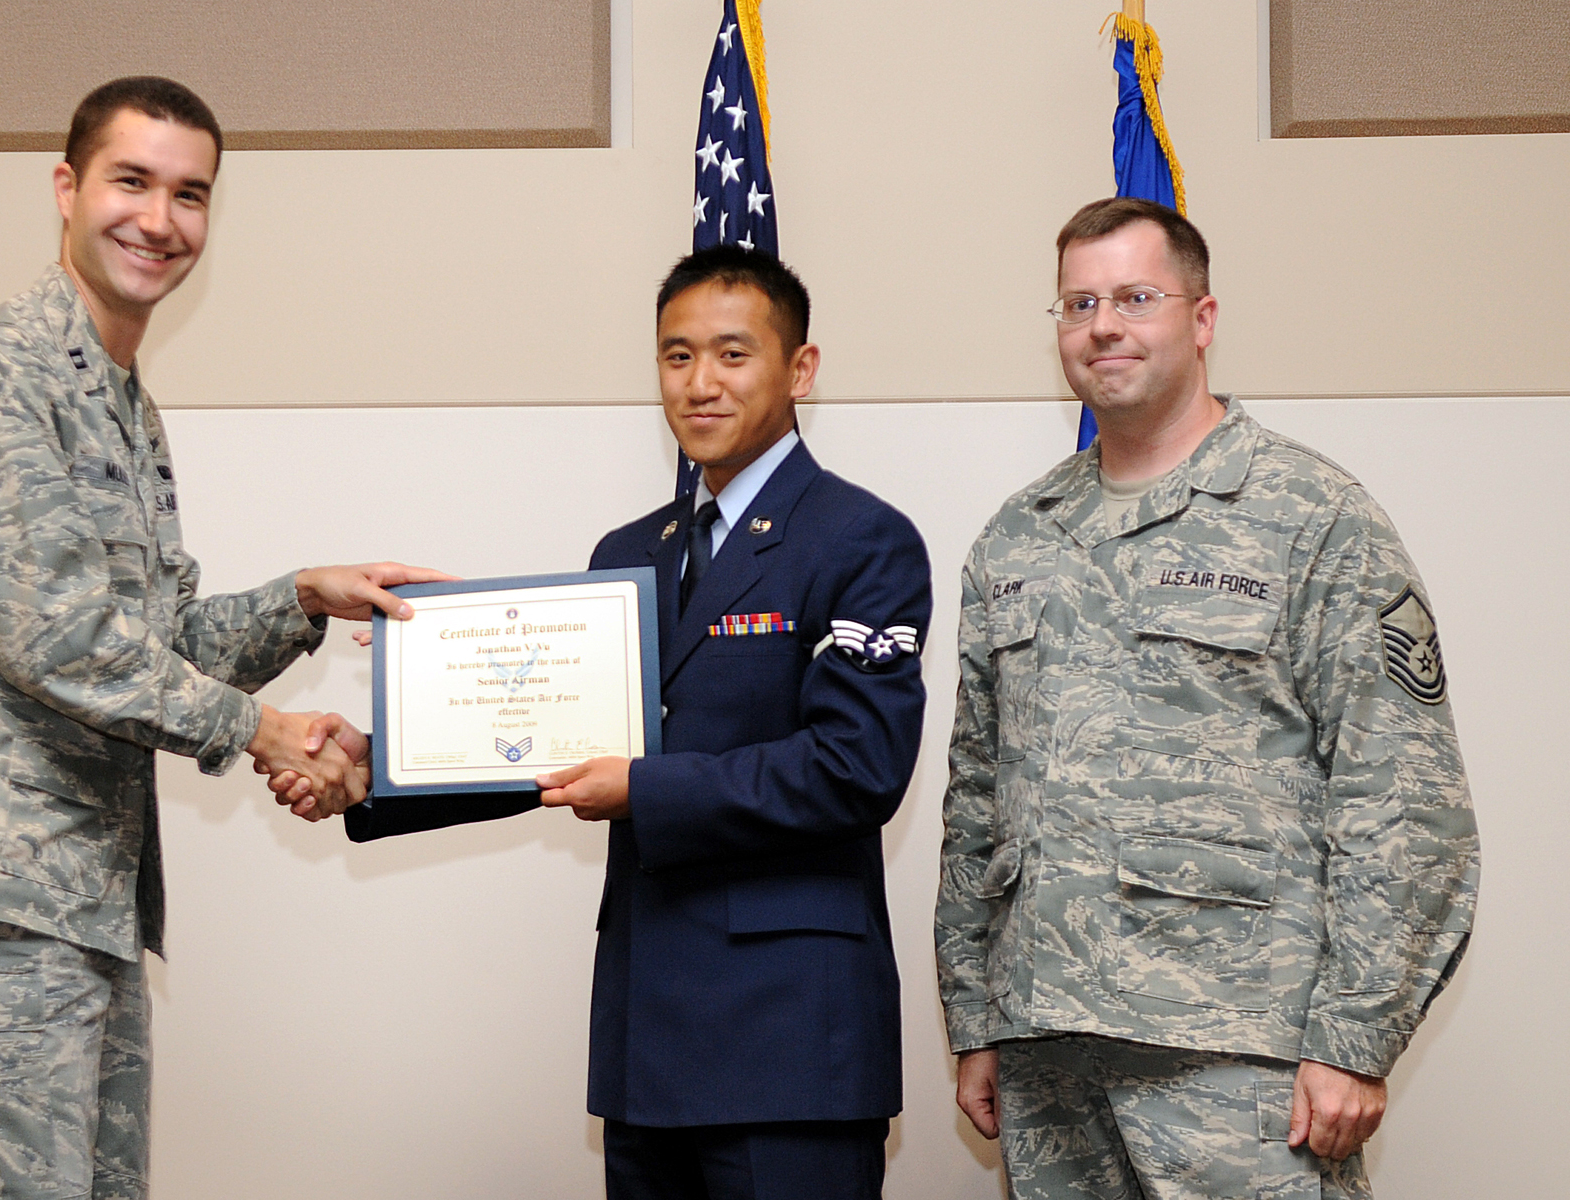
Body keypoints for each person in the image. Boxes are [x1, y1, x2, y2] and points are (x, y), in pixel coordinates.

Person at [0, 76, 447, 1199]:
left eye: (190, 194)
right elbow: (58, 640)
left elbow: (154, 638)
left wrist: (306, 600)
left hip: (79, 904)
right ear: (67, 187)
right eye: (132, 181)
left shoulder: (121, 400)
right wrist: (263, 732)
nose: (159, 220)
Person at [275, 247, 932, 1198]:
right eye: (675, 356)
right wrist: (381, 768)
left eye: (732, 355)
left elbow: (856, 768)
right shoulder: (630, 554)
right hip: (647, 1040)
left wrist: (644, 787)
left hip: (792, 1045)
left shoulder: (862, 538)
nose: (700, 384)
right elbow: (552, 748)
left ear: (800, 369)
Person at [933, 197, 1478, 1199]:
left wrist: (1356, 1037)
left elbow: (1403, 798)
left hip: (1240, 1055)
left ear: (1203, 317)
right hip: (1048, 1047)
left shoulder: (1313, 516)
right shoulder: (1017, 538)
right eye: (1077, 302)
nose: (1103, 324)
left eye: (1136, 297)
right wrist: (976, 1020)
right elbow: (976, 802)